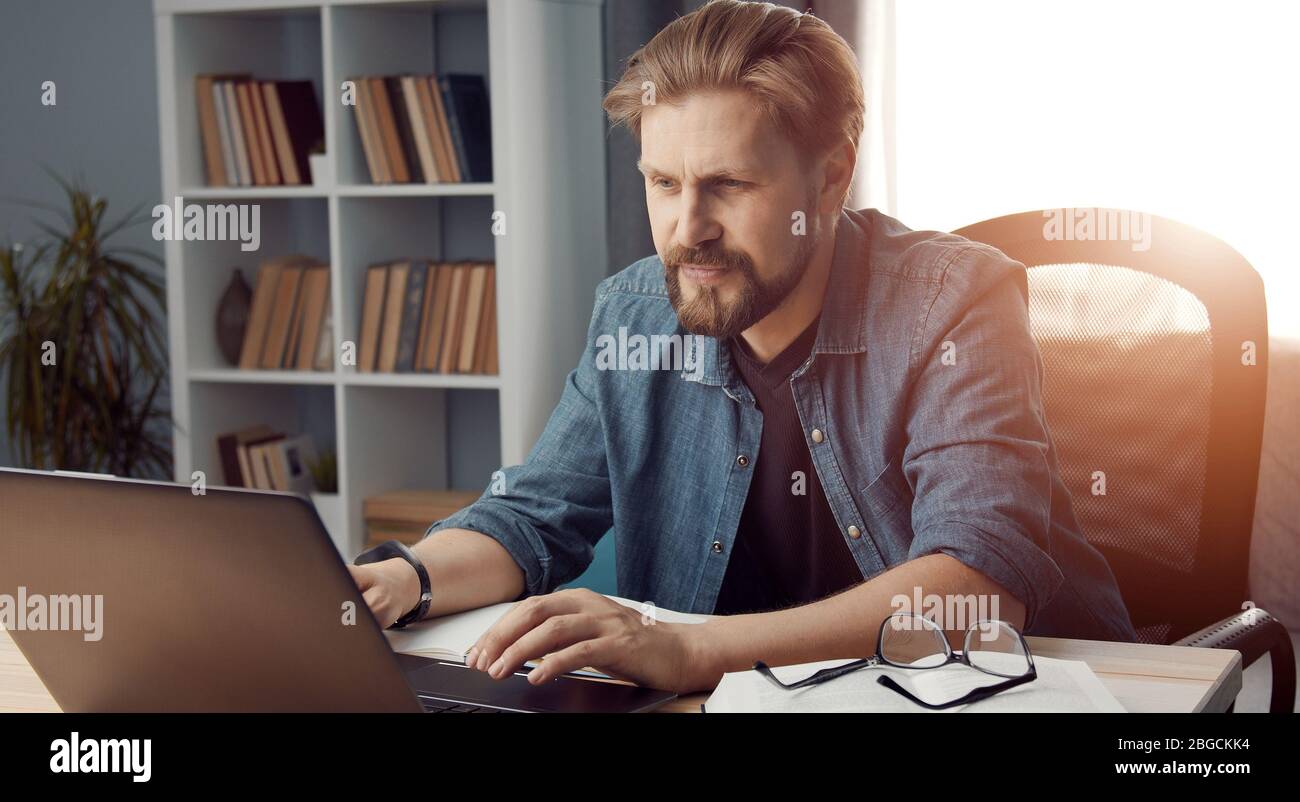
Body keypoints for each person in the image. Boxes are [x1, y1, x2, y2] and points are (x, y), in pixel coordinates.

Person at [349, 0, 1136, 695]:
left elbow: (979, 586)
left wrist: (691, 649)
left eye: (728, 185)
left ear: (831, 179)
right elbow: (534, 517)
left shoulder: (954, 303)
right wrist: (403, 580)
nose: (687, 230)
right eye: (663, 184)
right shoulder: (634, 318)